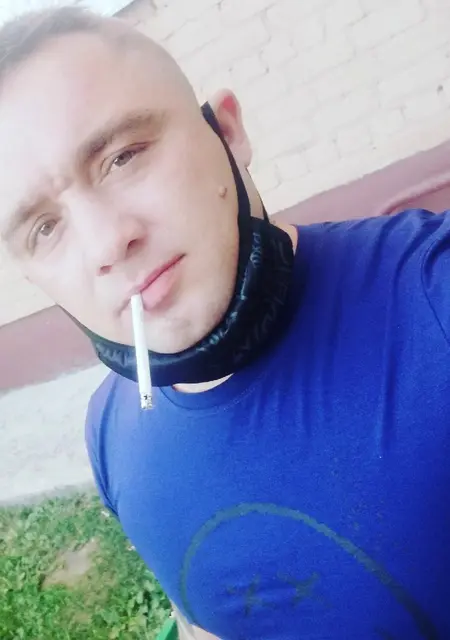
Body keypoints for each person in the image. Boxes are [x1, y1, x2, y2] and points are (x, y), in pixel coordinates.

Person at [0, 6, 448, 639]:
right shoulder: (109, 435)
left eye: (123, 157)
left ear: (228, 134)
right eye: (45, 228)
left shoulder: (432, 296)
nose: (106, 243)